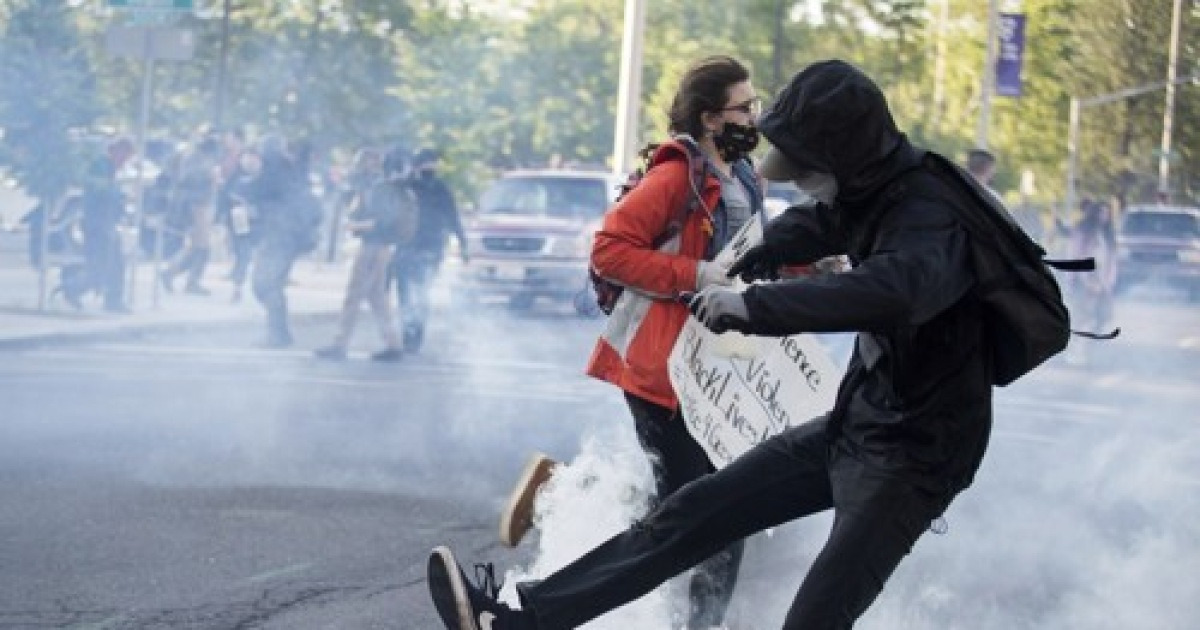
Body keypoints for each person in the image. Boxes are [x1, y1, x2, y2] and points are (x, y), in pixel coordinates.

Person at [428, 59, 998, 630]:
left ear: (845, 152)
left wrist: (753, 305)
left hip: (915, 455)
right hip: (855, 422)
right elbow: (811, 224)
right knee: (694, 513)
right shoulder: (870, 185)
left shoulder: (930, 212)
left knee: (815, 614)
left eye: (808, 168)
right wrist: (744, 259)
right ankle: (514, 622)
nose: (799, 182)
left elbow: (891, 292)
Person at [495, 55, 765, 629]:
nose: (755, 115)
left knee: (688, 509)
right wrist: (693, 275)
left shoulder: (743, 176)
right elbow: (608, 251)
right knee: (711, 512)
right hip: (660, 370)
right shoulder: (677, 175)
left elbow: (747, 260)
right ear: (711, 117)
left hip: (715, 371)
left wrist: (811, 269)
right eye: (745, 106)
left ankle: (564, 491)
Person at [313, 146, 416, 362]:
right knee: (377, 297)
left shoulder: (380, 189)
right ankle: (392, 342)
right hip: (380, 248)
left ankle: (340, 343)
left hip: (373, 247)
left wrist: (356, 225)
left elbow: (381, 221)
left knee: (354, 295)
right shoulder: (384, 188)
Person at [393, 147, 468, 351]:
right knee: (408, 291)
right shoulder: (407, 185)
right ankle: (409, 333)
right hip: (409, 245)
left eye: (433, 162)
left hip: (429, 247)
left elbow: (453, 217)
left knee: (419, 290)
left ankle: (415, 334)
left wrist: (463, 244)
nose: (431, 166)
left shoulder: (439, 188)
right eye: (428, 162)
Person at [249, 135, 310, 348]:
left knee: (264, 284)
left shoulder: (271, 173)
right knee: (272, 284)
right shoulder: (292, 170)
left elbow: (259, 200)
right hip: (289, 237)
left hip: (278, 235)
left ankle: (278, 335)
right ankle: (280, 333)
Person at [75, 137, 135, 312]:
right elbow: (98, 187)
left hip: (106, 223)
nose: (124, 161)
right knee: (100, 266)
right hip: (96, 223)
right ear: (116, 151)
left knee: (116, 263)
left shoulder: (110, 168)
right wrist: (119, 194)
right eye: (124, 156)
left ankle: (113, 300)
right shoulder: (100, 165)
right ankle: (73, 288)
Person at [160, 133, 221, 295]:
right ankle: (188, 280)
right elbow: (186, 178)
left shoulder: (197, 157)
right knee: (202, 246)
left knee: (197, 246)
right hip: (196, 204)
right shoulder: (196, 159)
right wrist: (208, 177)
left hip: (201, 203)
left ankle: (172, 274)